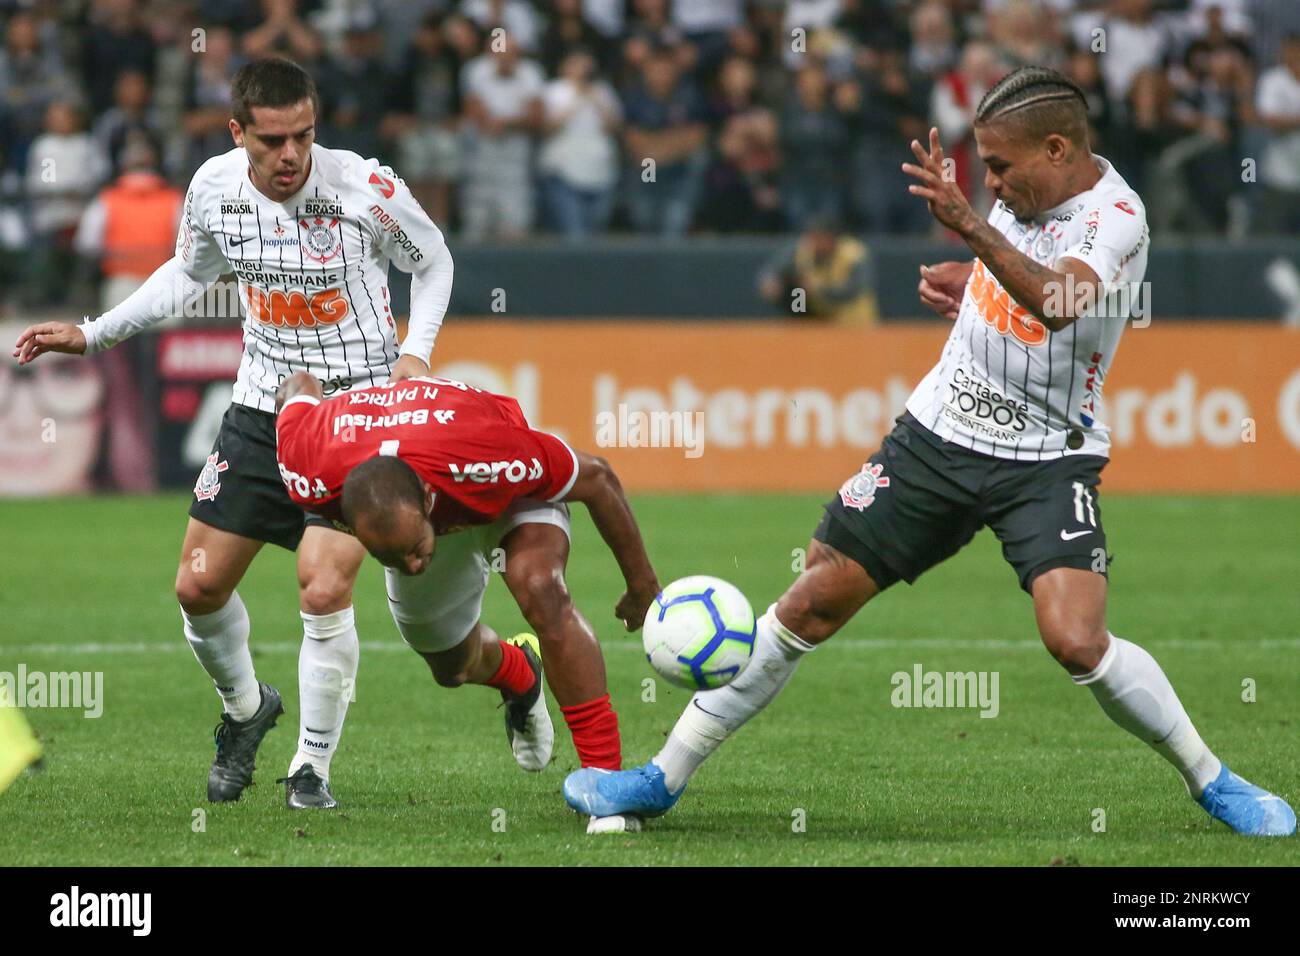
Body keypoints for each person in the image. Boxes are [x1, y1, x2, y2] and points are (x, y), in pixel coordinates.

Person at [563, 66, 1296, 839]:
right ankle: (658, 780)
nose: (992, 183)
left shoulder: (1117, 216)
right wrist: (974, 279)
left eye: (1003, 168)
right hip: (936, 439)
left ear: (1057, 149)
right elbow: (1017, 270)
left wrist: (968, 228)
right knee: (809, 600)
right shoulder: (1025, 193)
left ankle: (1213, 781)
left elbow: (1060, 300)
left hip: (1045, 457)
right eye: (984, 171)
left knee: (1075, 639)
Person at [11, 57, 458, 812]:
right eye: (272, 140)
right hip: (263, 411)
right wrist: (92, 335)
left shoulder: (362, 188)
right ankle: (248, 711)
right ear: (238, 132)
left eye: (303, 137)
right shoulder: (214, 188)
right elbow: (187, 275)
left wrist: (417, 353)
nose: (290, 156)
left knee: (322, 584)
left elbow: (434, 260)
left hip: (358, 412)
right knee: (198, 584)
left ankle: (311, 769)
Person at [273, 370, 660, 833]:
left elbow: (597, 477)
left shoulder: (491, 456)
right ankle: (519, 672)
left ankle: (608, 788)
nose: (413, 565)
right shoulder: (307, 467)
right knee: (450, 667)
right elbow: (298, 387)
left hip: (490, 485)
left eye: (414, 548)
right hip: (419, 479)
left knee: (541, 588)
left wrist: (642, 587)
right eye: (390, 557)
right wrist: (294, 391)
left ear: (427, 500)